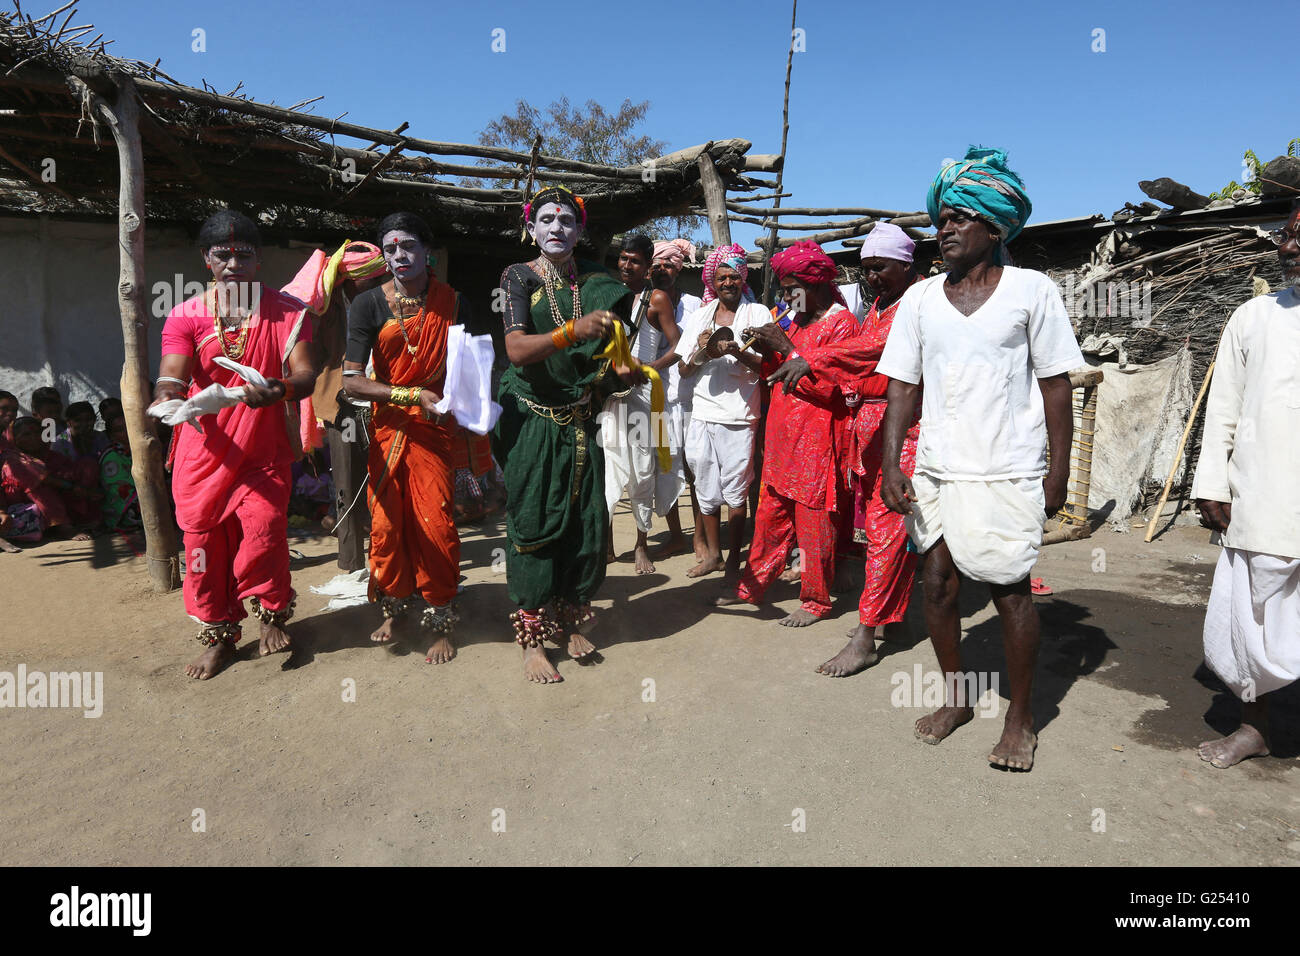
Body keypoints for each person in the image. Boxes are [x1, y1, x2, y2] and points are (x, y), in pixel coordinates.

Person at [877, 146, 1082, 771]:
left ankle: (1021, 719)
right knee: (936, 587)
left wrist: (1059, 469)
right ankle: (958, 699)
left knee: (1010, 593)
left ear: (994, 227)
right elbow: (902, 386)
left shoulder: (1032, 291)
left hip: (1008, 470)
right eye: (942, 219)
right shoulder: (918, 300)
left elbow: (1055, 383)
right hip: (938, 469)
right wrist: (891, 464)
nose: (944, 229)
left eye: (960, 218)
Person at [152, 209, 318, 680]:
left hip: (262, 454)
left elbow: (304, 376)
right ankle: (221, 637)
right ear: (206, 259)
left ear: (259, 260)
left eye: (243, 254)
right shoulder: (186, 314)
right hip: (202, 454)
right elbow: (171, 375)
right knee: (203, 551)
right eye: (222, 255)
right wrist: (168, 399)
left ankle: (271, 617)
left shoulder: (288, 312)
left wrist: (279, 390)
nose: (232, 263)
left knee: (264, 533)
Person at [495, 184, 641, 684]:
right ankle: (532, 638)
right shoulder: (517, 276)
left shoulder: (597, 283)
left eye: (566, 221)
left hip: (581, 420)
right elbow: (516, 350)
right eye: (547, 220)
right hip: (533, 420)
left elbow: (614, 358)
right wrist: (569, 333)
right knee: (535, 521)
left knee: (584, 521)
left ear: (580, 230)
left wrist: (629, 371)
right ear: (530, 227)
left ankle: (570, 614)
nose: (556, 228)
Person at [771, 223, 925, 674]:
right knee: (896, 533)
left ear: (906, 263)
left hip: (907, 428)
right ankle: (892, 621)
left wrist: (809, 358)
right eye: (867, 269)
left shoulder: (912, 306)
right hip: (873, 429)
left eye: (881, 268)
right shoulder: (880, 304)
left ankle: (864, 636)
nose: (872, 277)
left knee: (887, 529)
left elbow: (873, 349)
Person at [1191, 199, 1300, 769]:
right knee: (1252, 620)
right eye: (1286, 234)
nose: (1287, 247)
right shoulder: (1253, 316)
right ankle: (1253, 726)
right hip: (1263, 496)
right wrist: (1213, 482)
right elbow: (1223, 409)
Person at [343, 213, 465, 665]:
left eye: (409, 246)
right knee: (387, 525)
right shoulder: (367, 305)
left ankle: (439, 617)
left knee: (435, 522)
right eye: (390, 249)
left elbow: (467, 367)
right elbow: (352, 382)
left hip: (434, 431)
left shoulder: (451, 303)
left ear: (426, 250)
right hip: (390, 430)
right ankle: (394, 605)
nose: (400, 256)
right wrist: (412, 393)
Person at [716, 240, 859, 625]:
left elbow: (836, 389)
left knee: (814, 523)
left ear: (815, 285)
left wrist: (785, 345)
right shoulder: (791, 320)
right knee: (769, 515)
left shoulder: (842, 323)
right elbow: (772, 373)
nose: (786, 296)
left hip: (817, 439)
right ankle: (753, 586)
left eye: (792, 288)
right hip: (782, 434)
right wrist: (742, 350)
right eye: (783, 288)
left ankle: (816, 599)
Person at [283, 239, 390, 572]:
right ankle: (350, 561)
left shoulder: (385, 304)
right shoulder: (324, 312)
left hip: (384, 399)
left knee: (388, 477)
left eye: (378, 279)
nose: (377, 286)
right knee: (346, 484)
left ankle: (389, 552)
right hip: (340, 403)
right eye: (369, 280)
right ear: (349, 279)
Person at [675, 244, 768, 579]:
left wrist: (739, 353)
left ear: (743, 277)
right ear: (712, 281)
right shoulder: (701, 316)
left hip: (739, 415)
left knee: (736, 488)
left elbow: (769, 366)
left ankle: (732, 560)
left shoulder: (758, 314)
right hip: (702, 412)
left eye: (734, 276)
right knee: (705, 484)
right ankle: (713, 555)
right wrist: (705, 351)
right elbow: (684, 369)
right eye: (721, 277)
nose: (728, 282)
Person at [601, 234, 681, 574]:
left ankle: (640, 544)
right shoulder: (606, 295)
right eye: (622, 258)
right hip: (611, 393)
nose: (626, 265)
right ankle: (605, 544)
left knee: (642, 469)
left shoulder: (657, 299)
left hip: (646, 395)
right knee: (609, 466)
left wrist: (648, 370)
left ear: (648, 267)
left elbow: (679, 346)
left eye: (634, 261)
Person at [650, 238, 702, 560]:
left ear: (679, 269)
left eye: (669, 264)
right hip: (654, 399)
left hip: (691, 397)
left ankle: (701, 536)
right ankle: (676, 535)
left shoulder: (695, 304)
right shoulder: (642, 303)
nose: (663, 269)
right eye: (657, 265)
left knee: (695, 467)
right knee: (663, 466)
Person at [98, 414, 142, 533]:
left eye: (129, 426)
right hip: (123, 504)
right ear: (111, 435)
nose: (127, 431)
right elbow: (117, 488)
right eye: (119, 430)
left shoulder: (142, 448)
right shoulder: (111, 455)